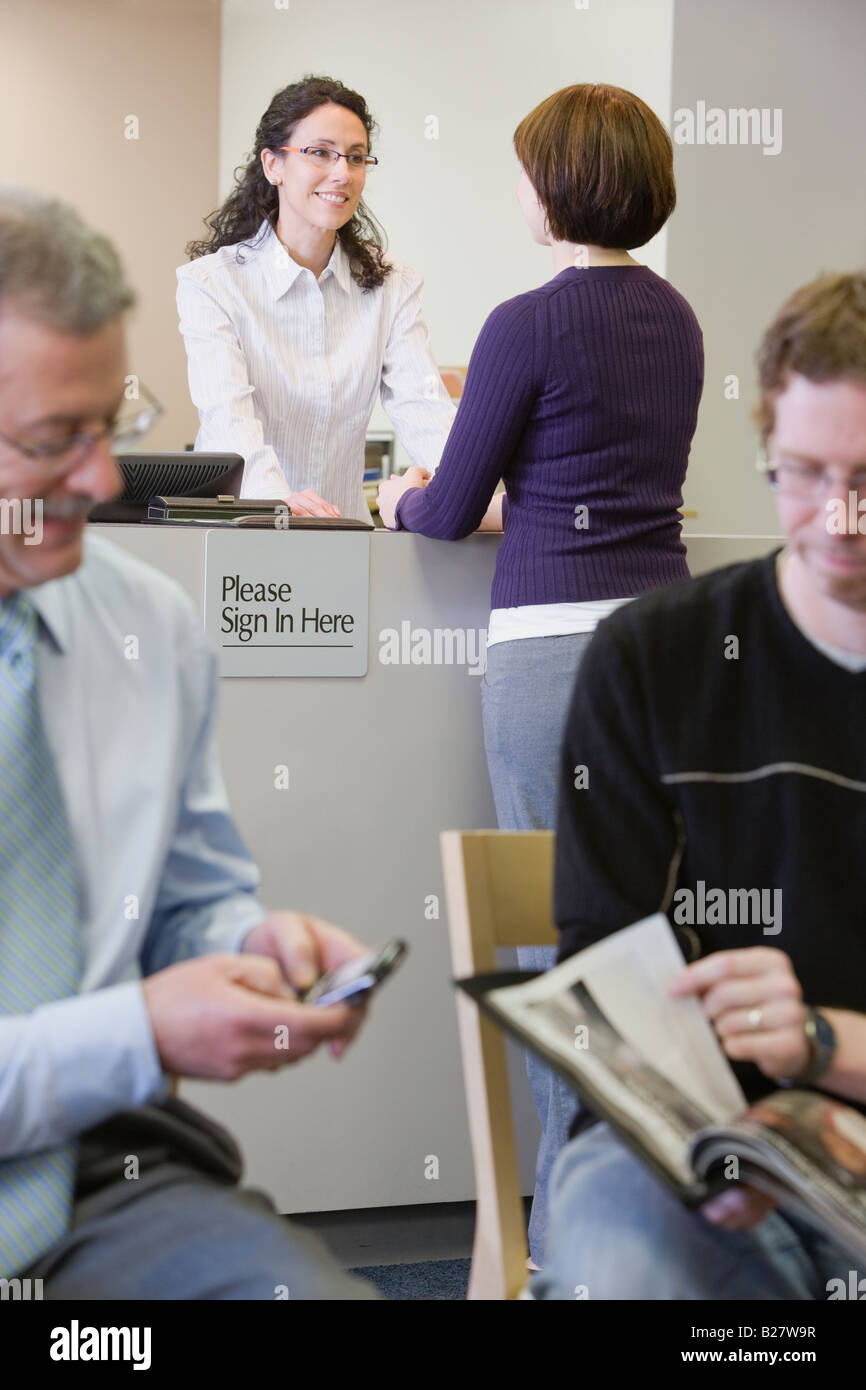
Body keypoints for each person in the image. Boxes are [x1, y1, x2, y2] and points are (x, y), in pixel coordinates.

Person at [0, 186, 378, 1299]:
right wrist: (140, 1033)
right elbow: (134, 1021)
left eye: (109, 423)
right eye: (50, 443)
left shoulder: (146, 629)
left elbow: (179, 905)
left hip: (94, 1179)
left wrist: (252, 943)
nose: (100, 479)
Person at [377, 82, 704, 1265]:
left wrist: (393, 497)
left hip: (553, 655)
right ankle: (649, 1244)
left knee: (555, 959)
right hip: (662, 649)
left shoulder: (524, 322)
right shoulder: (676, 318)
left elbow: (450, 504)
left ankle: (574, 1255)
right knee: (644, 951)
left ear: (556, 184)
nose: (516, 188)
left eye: (524, 169)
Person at [532, 271, 866, 1300]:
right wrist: (726, 1111)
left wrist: (818, 1048)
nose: (837, 517)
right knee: (631, 1265)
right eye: (801, 473)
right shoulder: (654, 658)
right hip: (684, 1154)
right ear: (762, 446)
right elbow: (603, 985)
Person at [177, 75, 455, 521]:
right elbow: (228, 414)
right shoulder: (212, 283)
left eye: (356, 157)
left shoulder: (393, 284)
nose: (342, 173)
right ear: (273, 165)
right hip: (242, 532)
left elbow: (424, 408)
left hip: (343, 534)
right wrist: (277, 500)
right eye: (320, 153)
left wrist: (462, 492)